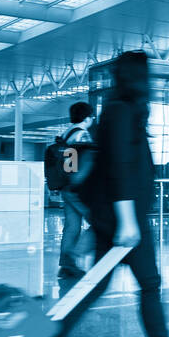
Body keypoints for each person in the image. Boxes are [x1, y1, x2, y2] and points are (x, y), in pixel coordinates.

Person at [28, 51, 169, 337]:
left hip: (117, 214)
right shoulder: (122, 112)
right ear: (138, 77)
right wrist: (127, 220)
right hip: (125, 215)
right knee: (147, 285)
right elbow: (121, 167)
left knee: (96, 286)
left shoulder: (118, 110)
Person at [57, 101, 94, 279]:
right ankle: (73, 257)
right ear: (88, 117)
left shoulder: (67, 133)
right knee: (98, 222)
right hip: (78, 188)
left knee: (71, 227)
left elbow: (67, 163)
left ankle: (65, 266)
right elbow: (87, 163)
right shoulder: (83, 135)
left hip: (66, 186)